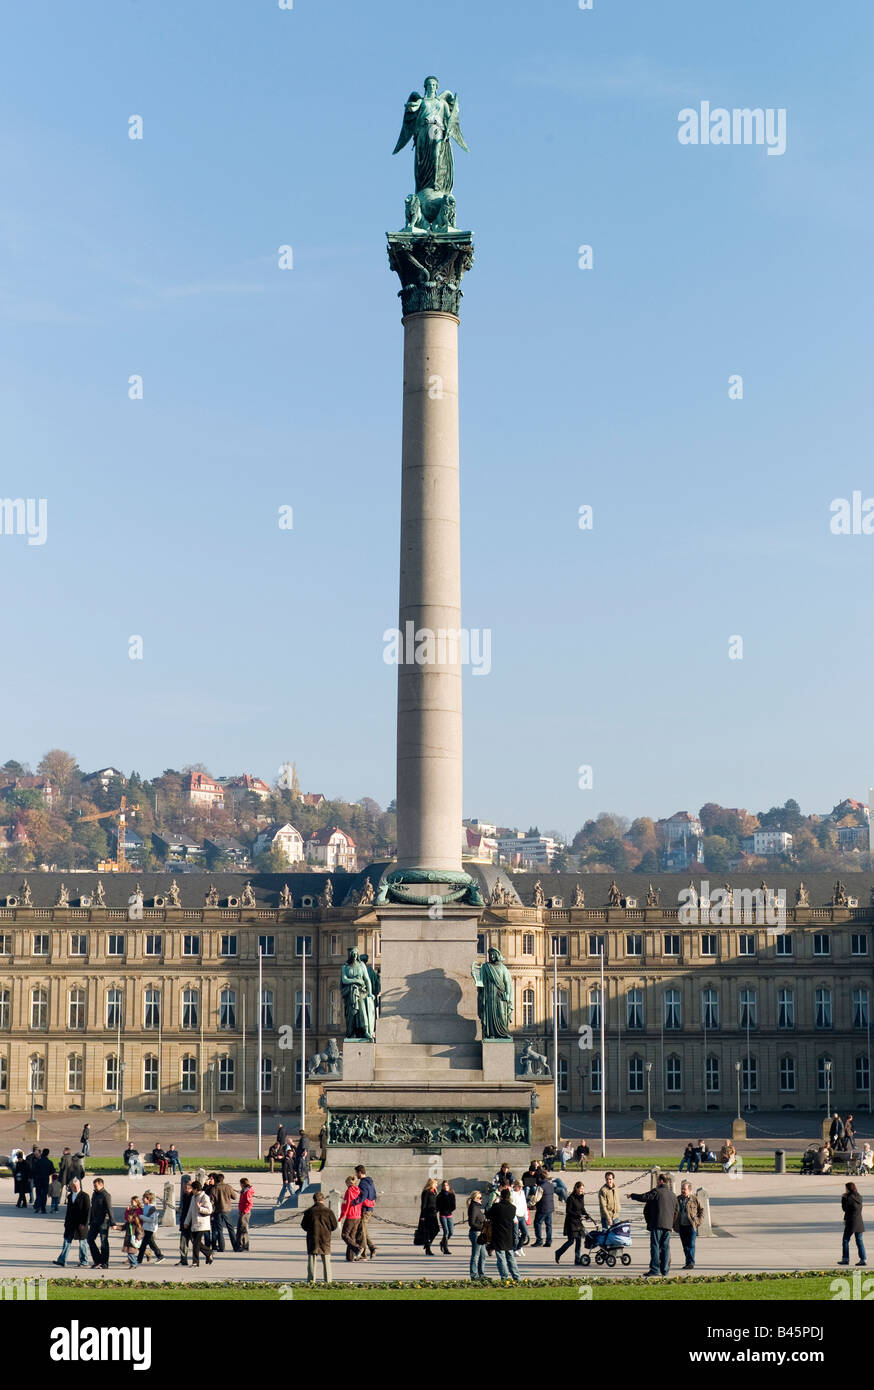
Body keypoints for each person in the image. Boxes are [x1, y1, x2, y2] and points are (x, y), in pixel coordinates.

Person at [632, 1173, 679, 1278]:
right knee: (665, 1248)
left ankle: (654, 1269)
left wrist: (632, 1195)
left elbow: (644, 1197)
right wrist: (671, 1223)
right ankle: (665, 1270)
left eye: (658, 1181)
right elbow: (677, 1211)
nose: (657, 1183)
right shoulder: (673, 1195)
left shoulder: (656, 1192)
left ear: (661, 1181)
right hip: (667, 1226)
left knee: (655, 1247)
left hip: (657, 1224)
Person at [301, 1191, 337, 1284]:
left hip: (313, 1237)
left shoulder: (309, 1211)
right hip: (325, 1238)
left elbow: (303, 1225)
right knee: (326, 1261)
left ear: (314, 1200)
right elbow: (334, 1226)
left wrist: (310, 1230)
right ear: (323, 1199)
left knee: (312, 1261)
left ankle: (311, 1280)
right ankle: (328, 1280)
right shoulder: (328, 1211)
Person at [555, 1181, 593, 1264]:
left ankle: (577, 1259)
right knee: (571, 1241)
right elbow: (568, 1211)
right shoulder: (571, 1198)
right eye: (580, 1188)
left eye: (582, 1189)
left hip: (578, 1222)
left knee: (579, 1241)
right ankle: (558, 1252)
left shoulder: (581, 1197)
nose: (581, 1190)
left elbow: (582, 1208)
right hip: (571, 1222)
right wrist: (578, 1215)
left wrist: (586, 1215)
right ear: (576, 1188)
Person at [55, 1178, 91, 1267]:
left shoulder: (85, 1196)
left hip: (81, 1224)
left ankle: (84, 1261)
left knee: (83, 1244)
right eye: (72, 1186)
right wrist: (66, 1222)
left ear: (79, 1185)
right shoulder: (70, 1196)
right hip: (70, 1224)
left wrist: (84, 1223)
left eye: (76, 1186)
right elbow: (69, 1211)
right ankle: (62, 1260)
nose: (74, 1187)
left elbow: (87, 1211)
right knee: (66, 1241)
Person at [488, 1188, 520, 1283]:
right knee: (511, 1258)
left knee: (501, 1258)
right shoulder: (513, 1208)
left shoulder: (497, 1206)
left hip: (498, 1235)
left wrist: (495, 1202)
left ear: (501, 1196)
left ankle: (504, 1277)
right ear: (509, 1197)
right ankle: (516, 1276)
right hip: (508, 1235)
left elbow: (488, 1214)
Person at [183, 1181, 214, 1267]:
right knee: (195, 1242)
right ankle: (209, 1252)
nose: (191, 1190)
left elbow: (209, 1210)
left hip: (202, 1224)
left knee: (196, 1243)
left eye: (192, 1189)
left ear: (196, 1189)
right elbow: (190, 1211)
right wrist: (186, 1222)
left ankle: (195, 1262)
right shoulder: (193, 1197)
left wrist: (200, 1208)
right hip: (194, 1223)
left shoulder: (205, 1197)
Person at [674, 1180, 702, 1270]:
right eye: (681, 1189)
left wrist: (698, 1221)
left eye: (684, 1189)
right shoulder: (678, 1199)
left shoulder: (694, 1199)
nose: (682, 1191)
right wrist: (674, 1224)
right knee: (685, 1246)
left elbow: (702, 1210)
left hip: (691, 1225)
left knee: (691, 1244)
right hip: (681, 1226)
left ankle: (691, 1262)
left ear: (689, 1190)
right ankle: (687, 1262)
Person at [88, 1178, 115, 1269]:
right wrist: (90, 1220)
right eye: (94, 1186)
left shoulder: (106, 1195)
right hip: (94, 1221)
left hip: (103, 1222)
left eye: (96, 1186)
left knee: (103, 1242)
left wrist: (113, 1222)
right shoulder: (94, 1194)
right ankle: (97, 1260)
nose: (94, 1187)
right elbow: (92, 1208)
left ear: (101, 1185)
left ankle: (105, 1262)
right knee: (90, 1239)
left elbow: (109, 1209)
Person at [838, 1182, 867, 1266]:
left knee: (845, 1240)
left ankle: (845, 1259)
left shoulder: (848, 1198)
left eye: (846, 1188)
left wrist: (843, 1198)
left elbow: (845, 1209)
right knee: (859, 1241)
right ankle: (863, 1259)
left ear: (848, 1189)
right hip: (859, 1221)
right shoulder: (859, 1196)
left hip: (851, 1221)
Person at [210, 1173, 238, 1253]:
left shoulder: (214, 1188)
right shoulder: (228, 1187)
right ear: (223, 1179)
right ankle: (235, 1246)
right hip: (227, 1210)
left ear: (216, 1180)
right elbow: (235, 1197)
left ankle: (222, 1247)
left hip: (218, 1210)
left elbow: (212, 1201)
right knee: (231, 1229)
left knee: (219, 1230)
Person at [354, 1164, 377, 1259]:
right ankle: (372, 1247)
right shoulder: (370, 1182)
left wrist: (353, 1202)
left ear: (359, 1172)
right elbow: (374, 1195)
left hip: (364, 1210)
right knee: (364, 1230)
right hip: (370, 1209)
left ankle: (363, 1253)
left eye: (356, 1172)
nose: (356, 1174)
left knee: (361, 1231)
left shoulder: (362, 1183)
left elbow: (362, 1197)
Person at [137, 1191, 165, 1265]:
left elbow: (152, 1220)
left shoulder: (152, 1208)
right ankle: (139, 1260)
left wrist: (141, 1217)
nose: (142, 1199)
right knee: (144, 1245)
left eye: (144, 1198)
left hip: (150, 1228)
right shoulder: (146, 1207)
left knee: (148, 1245)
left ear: (148, 1199)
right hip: (146, 1228)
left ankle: (160, 1256)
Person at [339, 1174, 363, 1261]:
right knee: (352, 1236)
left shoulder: (349, 1191)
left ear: (348, 1183)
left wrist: (341, 1216)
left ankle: (357, 1248)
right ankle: (350, 1257)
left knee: (344, 1235)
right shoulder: (358, 1190)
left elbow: (346, 1204)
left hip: (351, 1215)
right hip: (358, 1215)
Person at [417, 1178, 440, 1257]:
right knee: (427, 1231)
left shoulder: (434, 1192)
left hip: (433, 1214)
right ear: (431, 1184)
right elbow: (424, 1205)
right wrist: (423, 1216)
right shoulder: (426, 1192)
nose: (437, 1185)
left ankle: (427, 1244)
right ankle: (428, 1248)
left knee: (436, 1230)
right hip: (427, 1215)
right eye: (435, 1183)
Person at [467, 1190, 487, 1279]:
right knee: (475, 1255)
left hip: (480, 1233)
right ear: (475, 1198)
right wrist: (482, 1227)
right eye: (479, 1198)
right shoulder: (473, 1207)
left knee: (483, 1255)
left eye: (481, 1198)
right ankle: (474, 1275)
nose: (481, 1200)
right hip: (476, 1233)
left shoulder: (477, 1207)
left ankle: (481, 1274)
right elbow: (471, 1223)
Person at [121, 1195, 144, 1269]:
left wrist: (138, 1237)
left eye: (133, 1201)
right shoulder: (131, 1209)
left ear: (137, 1202)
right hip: (131, 1228)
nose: (131, 1203)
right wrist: (127, 1211)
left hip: (136, 1227)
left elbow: (137, 1219)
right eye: (131, 1201)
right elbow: (127, 1218)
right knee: (131, 1249)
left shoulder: (139, 1210)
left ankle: (134, 1263)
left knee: (132, 1249)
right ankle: (133, 1262)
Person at [533, 1172, 555, 1247]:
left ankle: (539, 1240)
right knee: (548, 1225)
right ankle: (549, 1241)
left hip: (542, 1208)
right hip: (550, 1207)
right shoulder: (551, 1185)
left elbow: (536, 1199)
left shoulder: (541, 1186)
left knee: (537, 1223)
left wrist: (529, 1204)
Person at [436, 1179, 456, 1254]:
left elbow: (454, 1206)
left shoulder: (451, 1194)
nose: (445, 1186)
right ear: (442, 1187)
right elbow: (437, 1205)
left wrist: (449, 1209)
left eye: (447, 1185)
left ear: (449, 1186)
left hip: (449, 1215)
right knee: (446, 1232)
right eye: (444, 1185)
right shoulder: (440, 1195)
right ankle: (445, 1248)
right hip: (443, 1215)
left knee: (451, 1232)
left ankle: (442, 1242)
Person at [177, 1179, 194, 1266]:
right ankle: (183, 1260)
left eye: (187, 1188)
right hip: (184, 1222)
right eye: (184, 1188)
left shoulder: (193, 1197)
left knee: (195, 1242)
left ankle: (208, 1253)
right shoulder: (185, 1196)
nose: (185, 1189)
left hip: (191, 1223)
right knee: (183, 1243)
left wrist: (187, 1222)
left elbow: (190, 1211)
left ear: (191, 1188)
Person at [33, 1148, 54, 1214]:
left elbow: (34, 1171)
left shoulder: (38, 1162)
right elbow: (52, 1171)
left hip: (38, 1179)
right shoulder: (49, 1162)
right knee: (44, 1194)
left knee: (38, 1194)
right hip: (45, 1179)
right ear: (48, 1154)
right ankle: (43, 1208)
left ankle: (37, 1207)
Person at [511, 1180, 529, 1250]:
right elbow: (512, 1206)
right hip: (516, 1216)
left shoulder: (522, 1192)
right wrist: (514, 1217)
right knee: (515, 1235)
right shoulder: (512, 1194)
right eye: (519, 1186)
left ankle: (519, 1247)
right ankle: (514, 1249)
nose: (520, 1188)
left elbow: (524, 1204)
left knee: (525, 1233)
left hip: (522, 1216)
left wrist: (526, 1215)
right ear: (515, 1186)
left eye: (521, 1187)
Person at [236, 1179, 253, 1252]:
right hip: (242, 1212)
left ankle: (245, 1245)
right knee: (240, 1229)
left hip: (245, 1213)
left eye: (240, 1183)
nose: (240, 1185)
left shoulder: (247, 1192)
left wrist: (244, 1211)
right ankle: (240, 1245)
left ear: (243, 1184)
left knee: (243, 1229)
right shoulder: (244, 1191)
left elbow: (250, 1203)